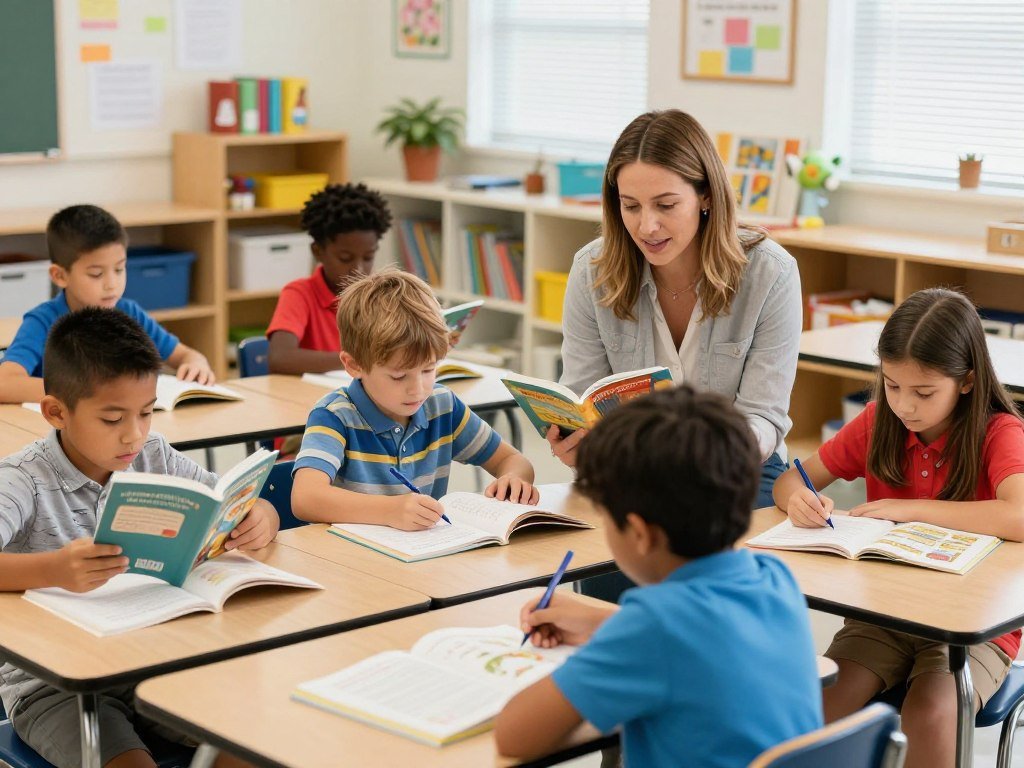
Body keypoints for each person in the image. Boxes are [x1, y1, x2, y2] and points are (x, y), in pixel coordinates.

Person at [0, 308, 279, 768]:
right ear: (56, 412)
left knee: (248, 750)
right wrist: (51, 570)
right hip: (54, 687)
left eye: (147, 413)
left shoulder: (153, 455)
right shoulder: (22, 480)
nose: (134, 435)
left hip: (156, 657)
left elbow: (227, 500)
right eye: (112, 419)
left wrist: (260, 516)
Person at [493, 385, 823, 766]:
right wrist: (605, 624)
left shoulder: (653, 630)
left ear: (639, 533)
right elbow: (699, 637)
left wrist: (614, 641)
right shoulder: (773, 576)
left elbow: (513, 735)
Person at [773, 287, 1024, 768]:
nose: (905, 406)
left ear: (967, 380)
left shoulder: (998, 433)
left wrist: (910, 509)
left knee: (931, 714)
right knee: (815, 705)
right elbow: (790, 480)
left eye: (924, 392)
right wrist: (798, 500)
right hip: (884, 615)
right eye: (892, 385)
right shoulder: (877, 421)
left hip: (969, 627)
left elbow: (1017, 515)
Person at [549, 110, 802, 510]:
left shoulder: (772, 273)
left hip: (739, 470)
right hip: (633, 468)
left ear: (705, 196)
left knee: (711, 562)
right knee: (600, 554)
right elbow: (583, 392)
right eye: (630, 206)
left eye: (665, 205)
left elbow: (763, 417)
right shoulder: (591, 271)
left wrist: (706, 457)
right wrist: (579, 443)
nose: (647, 226)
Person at [290, 268, 538, 529]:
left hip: (423, 555)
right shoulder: (335, 415)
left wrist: (512, 480)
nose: (418, 389)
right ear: (354, 365)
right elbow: (305, 498)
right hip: (351, 561)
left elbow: (513, 461)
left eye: (429, 370)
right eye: (398, 376)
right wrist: (390, 511)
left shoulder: (441, 405)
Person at [0, 205, 215, 405]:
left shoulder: (130, 313)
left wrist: (197, 363)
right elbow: (5, 383)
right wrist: (80, 393)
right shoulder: (43, 321)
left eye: (120, 269)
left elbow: (185, 355)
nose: (112, 284)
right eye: (96, 274)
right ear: (60, 275)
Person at [267, 182, 393, 375]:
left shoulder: (381, 296)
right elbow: (280, 358)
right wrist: (359, 361)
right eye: (345, 258)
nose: (358, 270)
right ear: (318, 251)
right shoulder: (300, 294)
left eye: (368, 257)